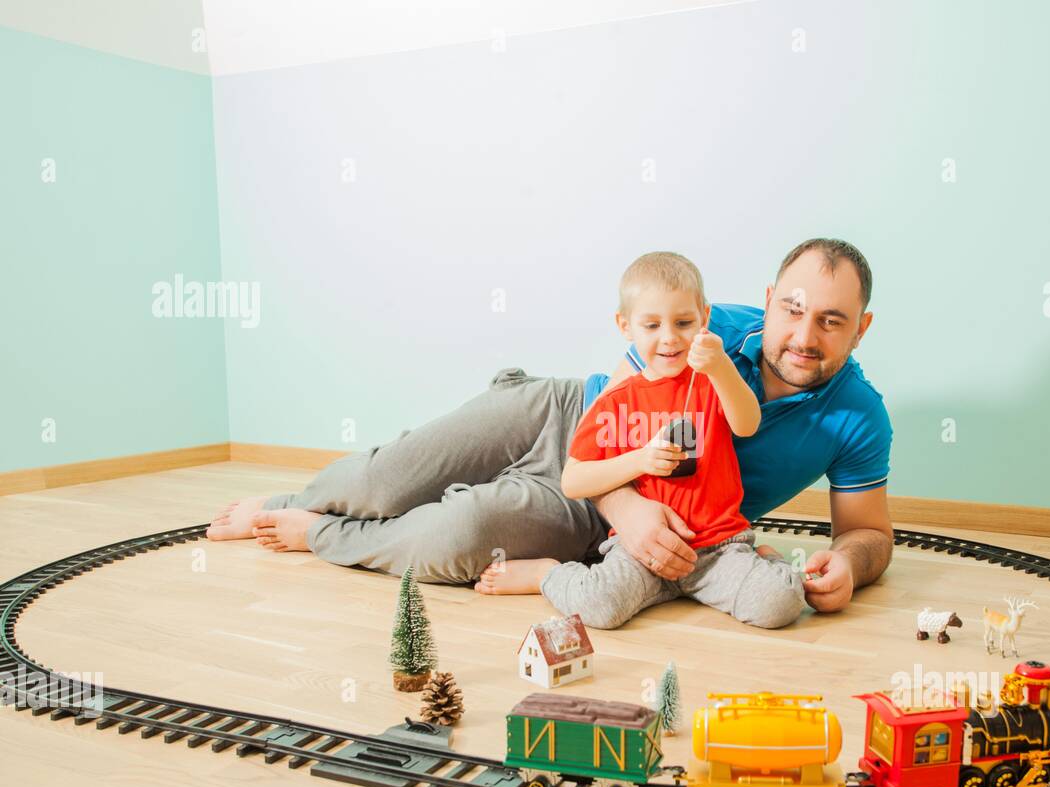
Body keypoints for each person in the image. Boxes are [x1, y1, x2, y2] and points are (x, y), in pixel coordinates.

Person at [206, 237, 893, 614]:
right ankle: (287, 502)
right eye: (793, 308)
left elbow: (869, 533)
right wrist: (626, 506)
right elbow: (620, 415)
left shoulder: (859, 417)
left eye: (831, 321)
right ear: (771, 300)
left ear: (859, 329)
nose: (804, 333)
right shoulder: (709, 325)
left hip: (591, 514)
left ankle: (319, 533)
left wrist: (850, 568)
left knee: (463, 532)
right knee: (389, 476)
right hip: (572, 421)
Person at [476, 252, 806, 629]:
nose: (669, 338)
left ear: (705, 318)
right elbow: (574, 481)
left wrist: (720, 367)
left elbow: (747, 423)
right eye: (651, 325)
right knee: (599, 609)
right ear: (625, 326)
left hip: (717, 549)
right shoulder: (617, 401)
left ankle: (769, 559)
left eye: (684, 322)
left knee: (779, 604)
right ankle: (545, 574)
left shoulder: (712, 381)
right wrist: (640, 460)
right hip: (641, 551)